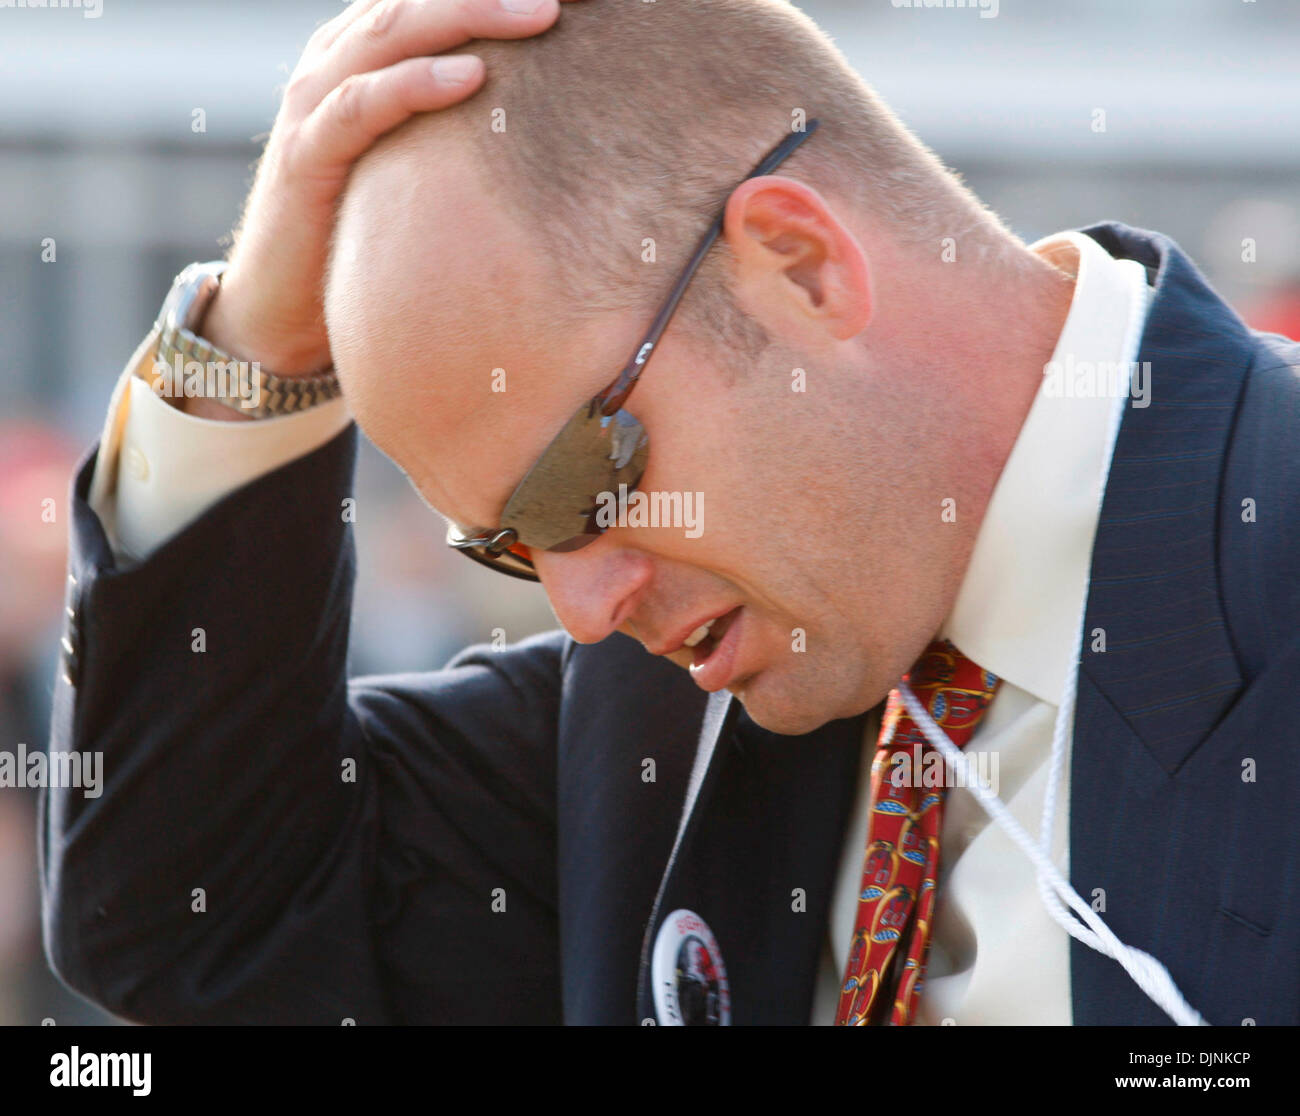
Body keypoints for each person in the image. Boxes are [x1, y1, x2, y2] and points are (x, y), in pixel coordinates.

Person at [42, 0, 1300, 1025]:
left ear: (800, 268)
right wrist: (248, 356)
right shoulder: (655, 729)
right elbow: (195, 919)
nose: (584, 612)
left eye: (578, 491)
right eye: (509, 546)